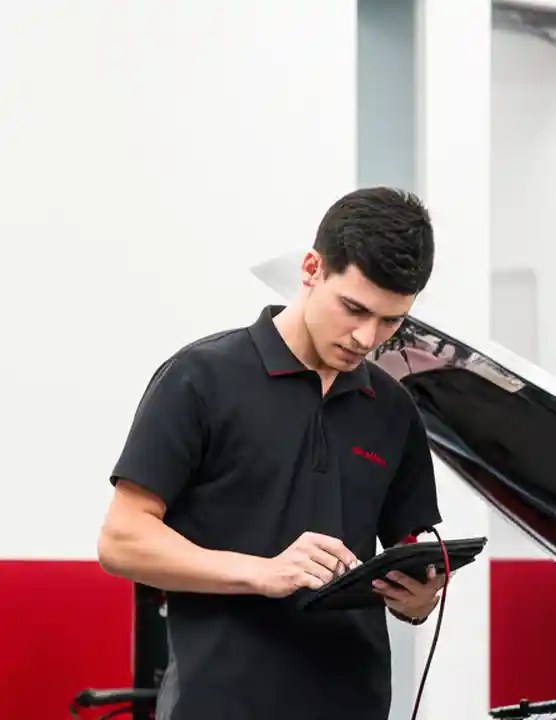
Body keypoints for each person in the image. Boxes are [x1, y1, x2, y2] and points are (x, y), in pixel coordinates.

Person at [97, 187, 447, 720]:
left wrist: (419, 603)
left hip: (354, 703)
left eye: (390, 321)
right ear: (311, 268)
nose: (365, 336)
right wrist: (261, 572)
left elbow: (410, 554)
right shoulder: (200, 379)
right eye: (353, 308)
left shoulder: (394, 411)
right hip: (218, 705)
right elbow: (121, 541)